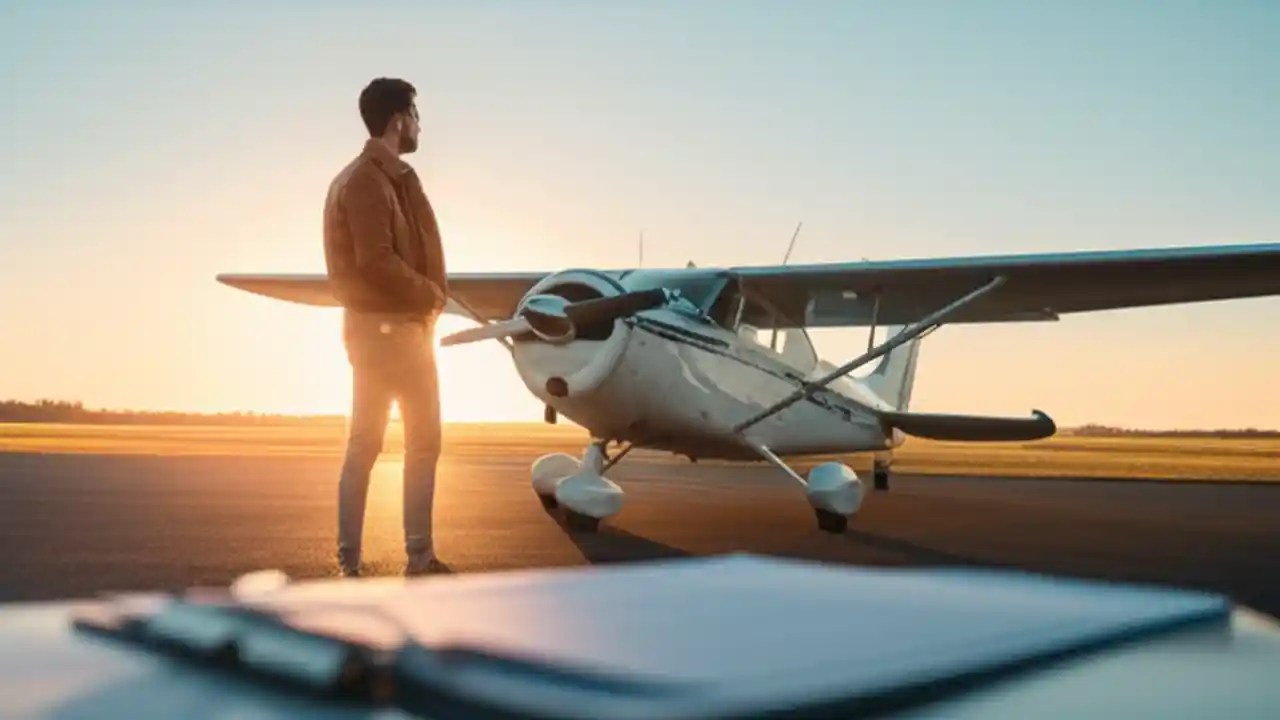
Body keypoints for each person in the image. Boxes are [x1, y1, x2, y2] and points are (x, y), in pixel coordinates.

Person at [322, 77, 449, 577]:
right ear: (399, 120)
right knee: (419, 443)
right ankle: (416, 556)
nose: (420, 123)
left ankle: (349, 562)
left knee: (365, 444)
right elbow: (375, 261)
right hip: (394, 332)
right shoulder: (367, 182)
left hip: (376, 331)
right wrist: (432, 295)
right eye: (416, 112)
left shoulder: (378, 179)